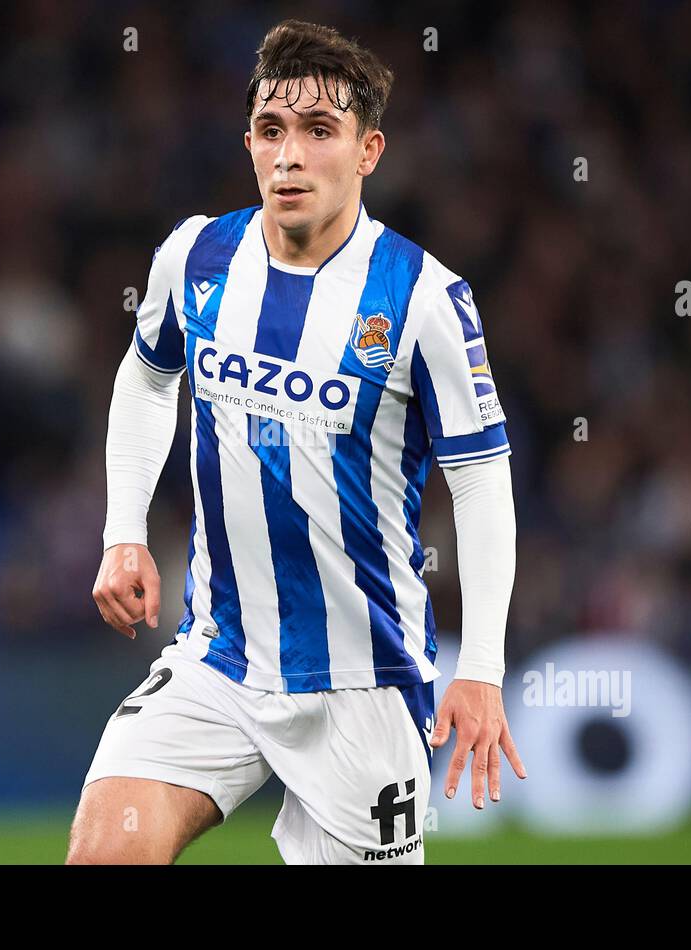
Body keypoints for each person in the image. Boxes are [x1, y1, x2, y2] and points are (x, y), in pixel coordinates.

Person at [69, 19, 524, 865]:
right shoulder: (197, 256)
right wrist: (123, 529)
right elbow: (146, 376)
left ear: (368, 151)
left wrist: (482, 666)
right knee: (106, 849)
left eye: (320, 132)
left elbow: (481, 481)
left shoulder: (424, 300)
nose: (291, 155)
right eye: (273, 131)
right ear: (248, 143)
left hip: (363, 686)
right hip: (220, 657)